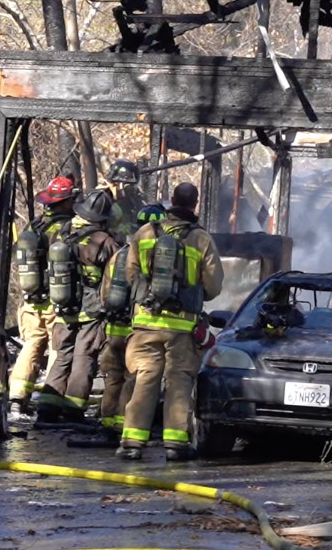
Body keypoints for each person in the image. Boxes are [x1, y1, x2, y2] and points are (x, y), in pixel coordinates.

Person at [118, 183, 223, 462]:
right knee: (179, 381)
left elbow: (130, 276)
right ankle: (176, 444)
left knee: (144, 379)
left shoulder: (145, 233)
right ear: (195, 204)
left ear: (172, 201)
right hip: (183, 327)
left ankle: (132, 442)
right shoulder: (202, 239)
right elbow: (213, 287)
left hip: (145, 322)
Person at [35, 190, 122, 424]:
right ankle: (73, 409)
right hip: (92, 309)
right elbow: (119, 274)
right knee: (85, 356)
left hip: (63, 305)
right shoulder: (104, 241)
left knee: (62, 356)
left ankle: (47, 408)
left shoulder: (63, 232)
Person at [7, 176, 75, 412]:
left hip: (31, 300)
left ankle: (16, 395)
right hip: (58, 301)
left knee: (31, 345)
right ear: (66, 202)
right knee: (58, 349)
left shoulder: (34, 226)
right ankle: (50, 397)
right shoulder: (70, 228)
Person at [97, 204, 165, 434]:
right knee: (132, 376)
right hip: (137, 327)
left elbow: (105, 291)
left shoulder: (119, 254)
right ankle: (121, 422)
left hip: (115, 325)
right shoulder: (162, 255)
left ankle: (106, 419)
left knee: (113, 375)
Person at [98, 160, 144, 238]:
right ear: (120, 184)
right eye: (130, 185)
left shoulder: (131, 198)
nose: (132, 189)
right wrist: (120, 228)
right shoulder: (102, 199)